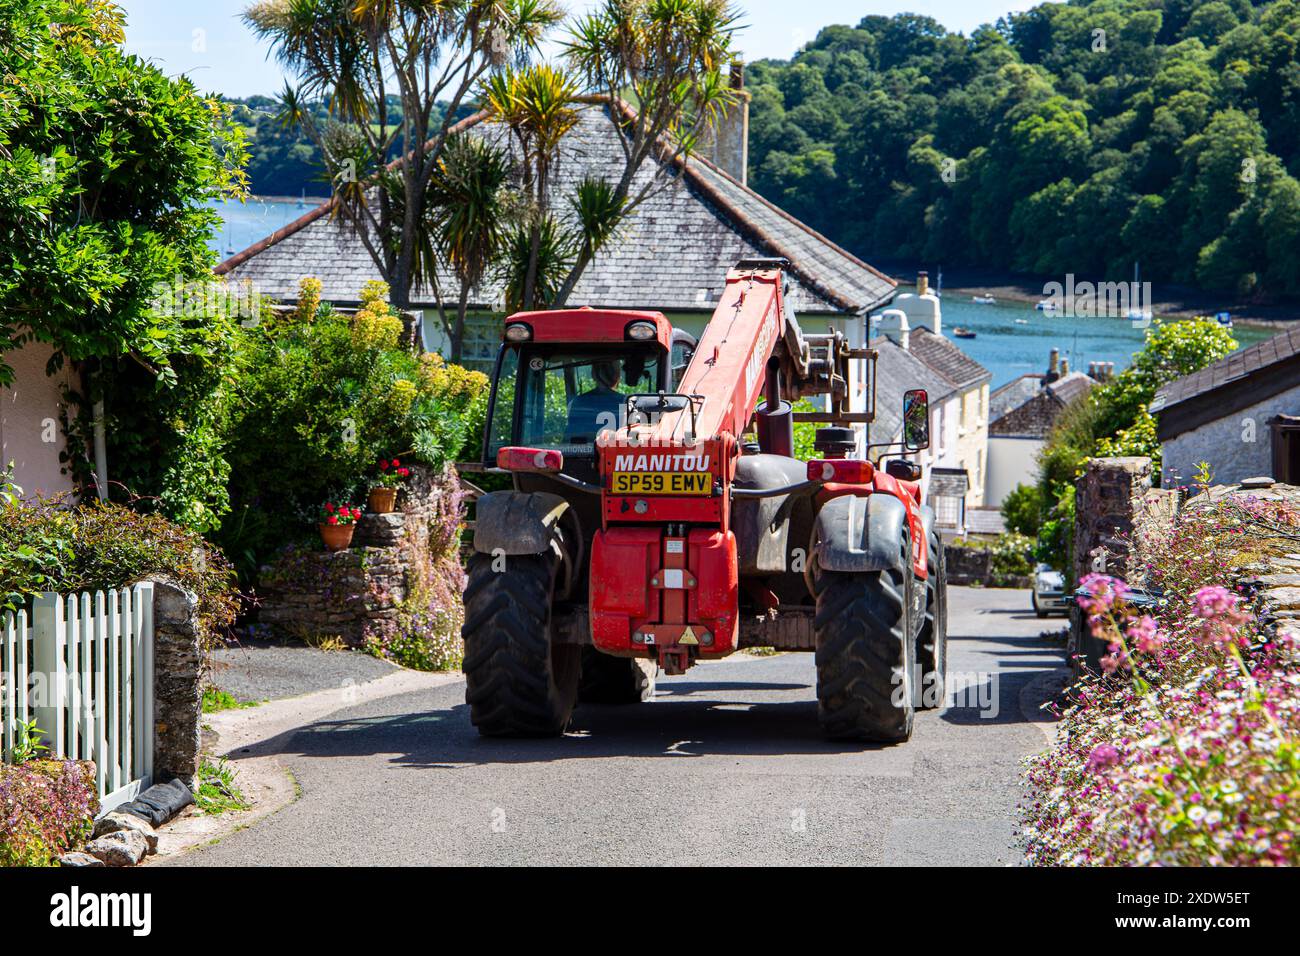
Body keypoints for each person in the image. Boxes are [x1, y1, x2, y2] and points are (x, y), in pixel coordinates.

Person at [565, 360, 624, 442]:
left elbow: (570, 441)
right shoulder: (627, 402)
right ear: (617, 375)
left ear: (593, 373)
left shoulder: (578, 402)